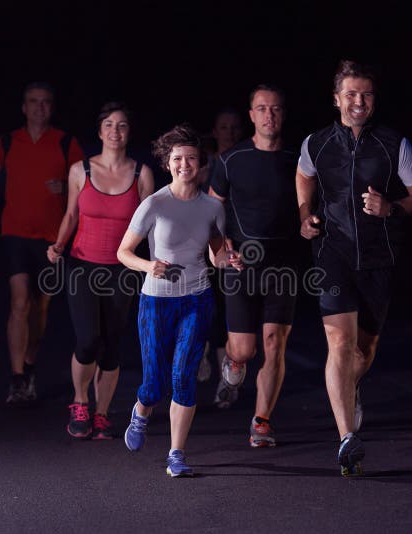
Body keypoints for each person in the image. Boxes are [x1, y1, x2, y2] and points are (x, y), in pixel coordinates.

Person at [295, 60, 412, 476]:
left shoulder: (395, 145)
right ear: (336, 99)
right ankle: (346, 437)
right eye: (351, 94)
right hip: (332, 256)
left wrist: (391, 208)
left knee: (363, 350)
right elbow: (304, 177)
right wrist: (305, 215)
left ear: (374, 100)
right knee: (339, 344)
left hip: (378, 259)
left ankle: (351, 391)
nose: (359, 101)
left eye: (366, 94)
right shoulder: (316, 143)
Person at [117, 124, 241, 477]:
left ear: (201, 164)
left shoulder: (212, 208)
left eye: (190, 158)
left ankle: (176, 454)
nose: (184, 164)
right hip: (156, 302)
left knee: (184, 377)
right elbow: (123, 252)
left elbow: (217, 255)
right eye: (177, 159)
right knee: (154, 382)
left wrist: (229, 260)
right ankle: (141, 412)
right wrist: (148, 265)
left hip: (197, 299)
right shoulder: (154, 204)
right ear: (167, 164)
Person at [46, 102, 154, 439]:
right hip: (82, 265)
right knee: (87, 339)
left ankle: (102, 412)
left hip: (123, 268)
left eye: (122, 126)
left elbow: (152, 224)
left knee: (111, 344)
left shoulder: (142, 174)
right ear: (99, 131)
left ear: (128, 132)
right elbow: (70, 216)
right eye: (109, 125)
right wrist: (58, 245)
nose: (115, 132)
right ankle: (80, 402)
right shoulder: (81, 170)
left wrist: (158, 261)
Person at [0, 82, 85, 406]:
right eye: (33, 102)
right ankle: (17, 378)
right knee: (19, 302)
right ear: (24, 107)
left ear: (51, 108)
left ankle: (29, 365)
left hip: (53, 240)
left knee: (41, 309)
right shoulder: (9, 141)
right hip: (15, 234)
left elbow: (82, 183)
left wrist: (65, 190)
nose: (39, 107)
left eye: (45, 102)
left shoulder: (66, 143)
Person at [208, 84, 301, 446]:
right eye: (262, 109)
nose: (269, 115)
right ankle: (233, 363)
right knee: (244, 349)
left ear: (283, 113)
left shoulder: (297, 158)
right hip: (241, 266)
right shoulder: (231, 159)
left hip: (284, 267)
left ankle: (261, 420)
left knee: (275, 342)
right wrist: (220, 243)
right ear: (251, 115)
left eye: (275, 109)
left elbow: (310, 202)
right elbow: (213, 208)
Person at [197, 107, 244, 387]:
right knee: (206, 304)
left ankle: (226, 378)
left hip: (237, 242)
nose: (230, 132)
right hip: (205, 244)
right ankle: (201, 350)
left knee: (229, 308)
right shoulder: (205, 163)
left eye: (234, 127)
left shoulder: (245, 160)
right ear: (215, 133)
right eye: (224, 127)